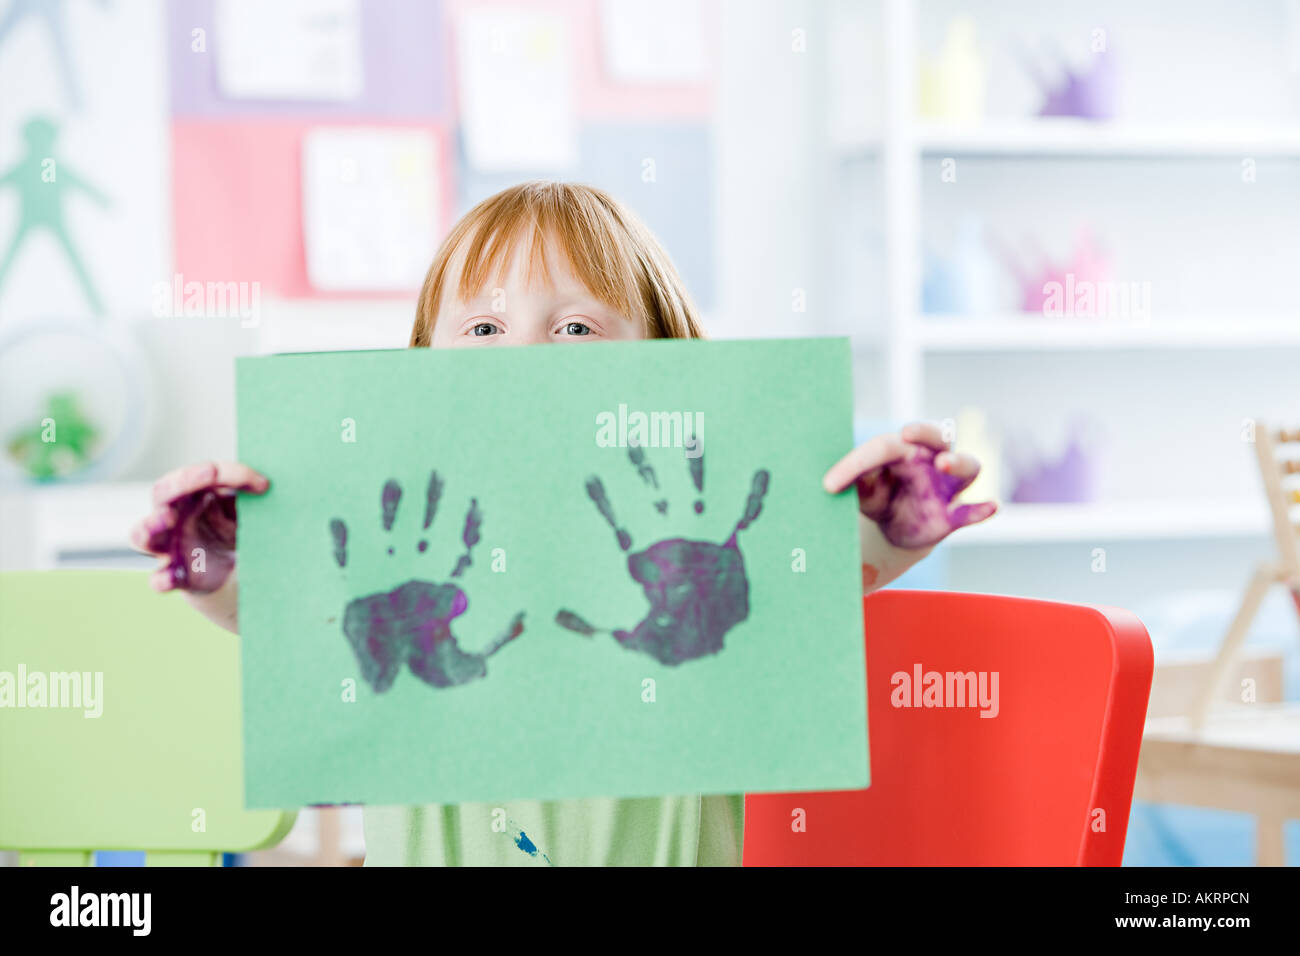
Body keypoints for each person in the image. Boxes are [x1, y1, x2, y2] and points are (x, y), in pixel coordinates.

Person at [131, 180, 996, 865]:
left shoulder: (693, 541)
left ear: (667, 365)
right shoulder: (398, 548)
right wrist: (229, 573)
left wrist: (891, 529)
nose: (525, 358)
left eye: (576, 325)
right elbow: (288, 624)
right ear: (422, 370)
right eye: (484, 326)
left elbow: (812, 575)